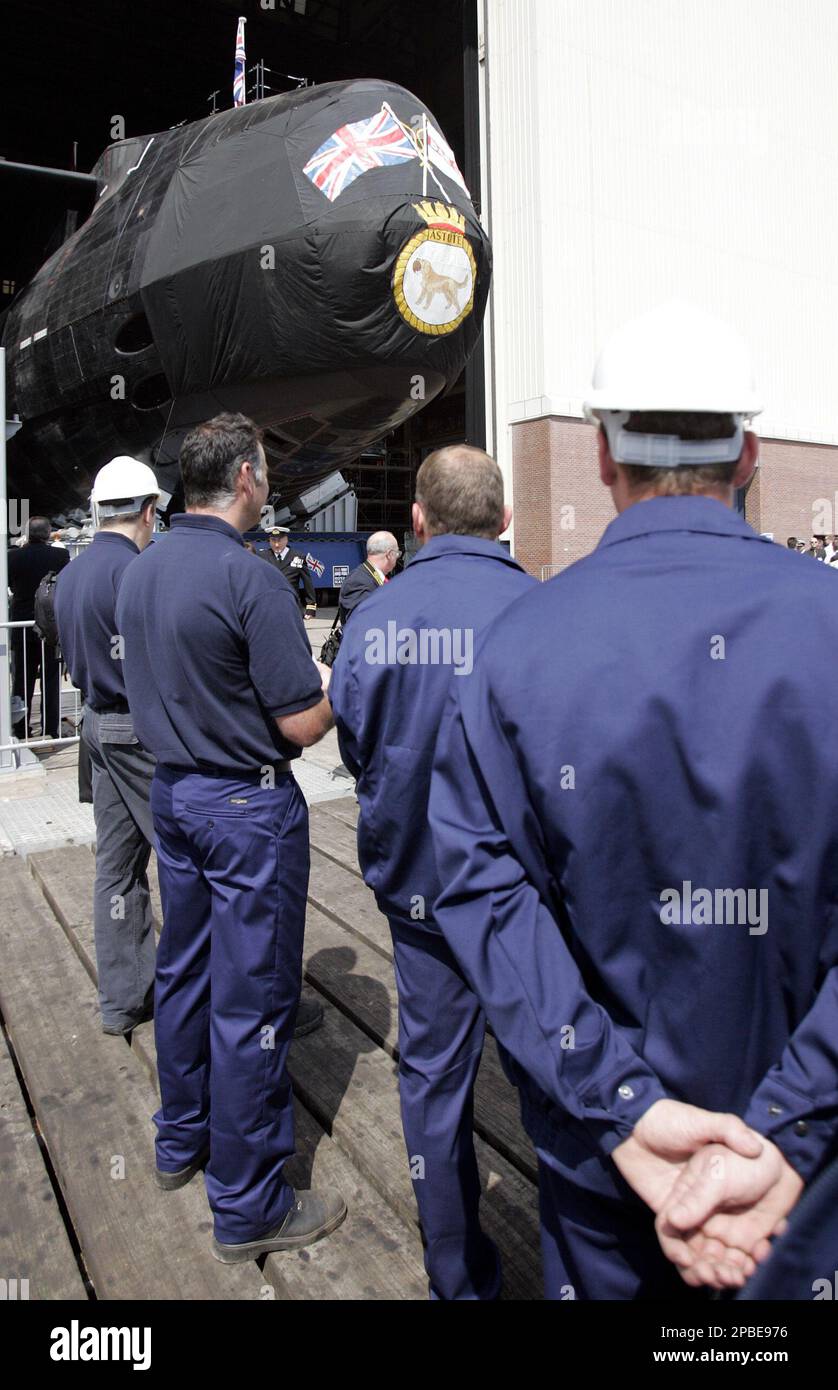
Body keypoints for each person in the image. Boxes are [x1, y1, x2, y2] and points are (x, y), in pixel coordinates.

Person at [428, 302, 838, 1299]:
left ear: (605, 457)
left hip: (607, 1178)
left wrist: (626, 1110)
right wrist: (786, 1125)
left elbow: (483, 897)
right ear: (747, 455)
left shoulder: (514, 652)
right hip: (804, 1191)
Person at [116, 412, 345, 1260]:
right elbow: (298, 725)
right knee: (250, 1000)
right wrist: (340, 686)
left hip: (175, 796)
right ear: (246, 476)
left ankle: (181, 1141)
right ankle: (249, 1206)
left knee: (184, 973)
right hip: (246, 808)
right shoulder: (252, 581)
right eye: (266, 469)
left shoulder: (143, 568)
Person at [329, 446, 536, 1300]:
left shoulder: (372, 621)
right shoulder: (542, 610)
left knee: (434, 1079)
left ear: (417, 522)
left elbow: (354, 745)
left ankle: (457, 1275)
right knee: (553, 1079)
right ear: (507, 519)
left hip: (418, 893)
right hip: (525, 905)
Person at [54, 458, 160, 1035]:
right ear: (148, 512)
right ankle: (236, 1001)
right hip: (135, 731)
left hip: (94, 728)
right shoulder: (134, 573)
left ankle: (123, 1000)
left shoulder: (72, 573)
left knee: (116, 872)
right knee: (196, 862)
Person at [7, 515, 69, 739]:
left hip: (22, 627)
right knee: (51, 680)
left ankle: (20, 728)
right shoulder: (60, 555)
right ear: (48, 532)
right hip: (50, 628)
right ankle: (51, 729)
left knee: (22, 681)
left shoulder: (13, 557)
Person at [338, 532, 400, 624]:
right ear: (390, 555)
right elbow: (362, 624)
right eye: (397, 553)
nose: (397, 557)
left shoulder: (371, 577)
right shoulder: (358, 581)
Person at [259, 526, 317, 618]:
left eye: (279, 541)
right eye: (273, 541)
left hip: (292, 605)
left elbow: (307, 583)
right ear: (269, 541)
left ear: (286, 540)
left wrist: (310, 607)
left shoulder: (298, 556)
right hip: (269, 606)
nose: (276, 545)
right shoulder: (262, 557)